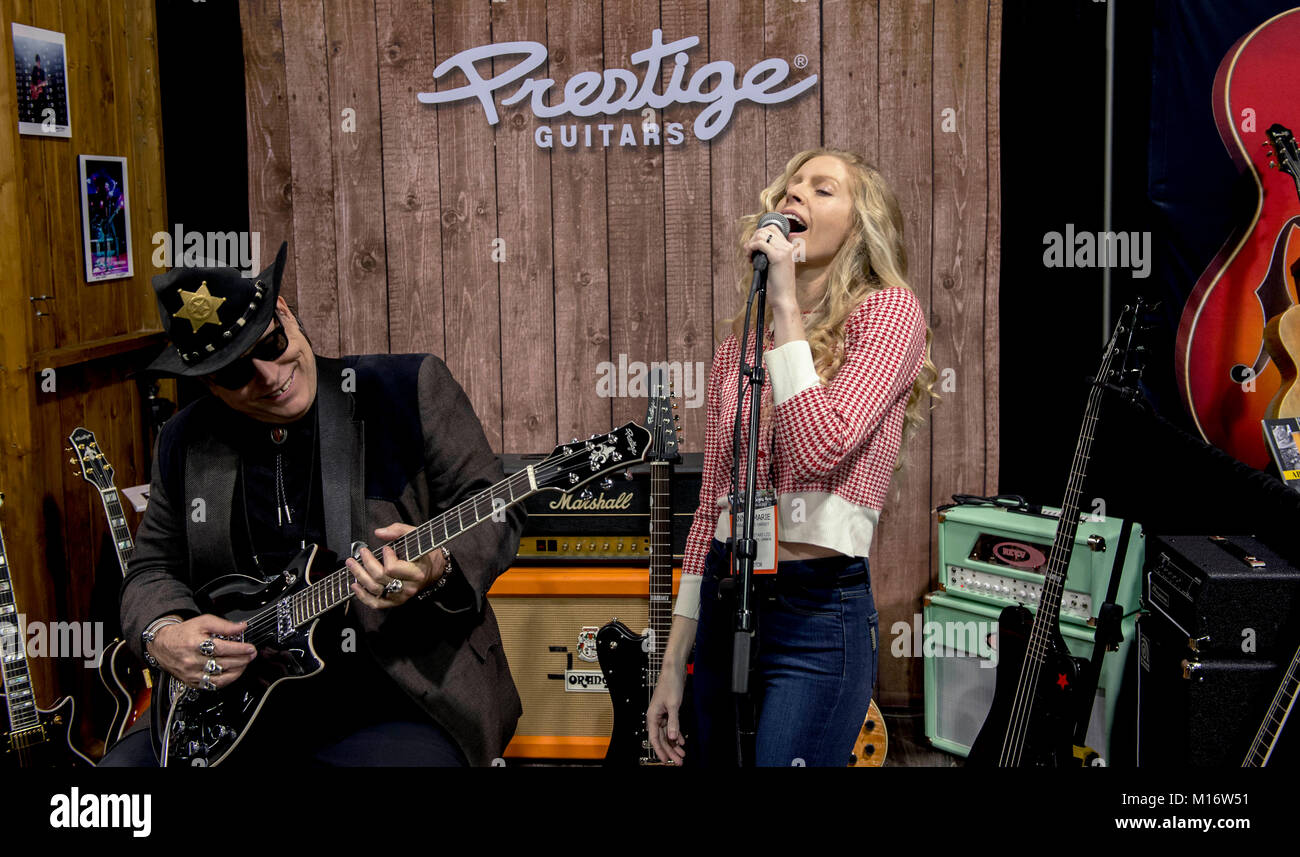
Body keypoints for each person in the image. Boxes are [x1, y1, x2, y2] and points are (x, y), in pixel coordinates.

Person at [101, 242, 524, 767]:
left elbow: (495, 509)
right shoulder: (185, 440)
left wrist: (437, 567)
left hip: (398, 693)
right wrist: (162, 634)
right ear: (208, 384)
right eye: (236, 374)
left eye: (271, 343)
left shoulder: (402, 390)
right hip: (235, 704)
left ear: (284, 313)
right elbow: (150, 570)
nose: (270, 376)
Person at [646, 149, 937, 766]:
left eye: (823, 188)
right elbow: (710, 514)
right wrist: (673, 667)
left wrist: (783, 306)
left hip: (817, 612)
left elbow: (816, 451)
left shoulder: (888, 313)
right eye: (793, 184)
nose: (796, 194)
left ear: (860, 227)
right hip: (728, 592)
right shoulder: (740, 347)